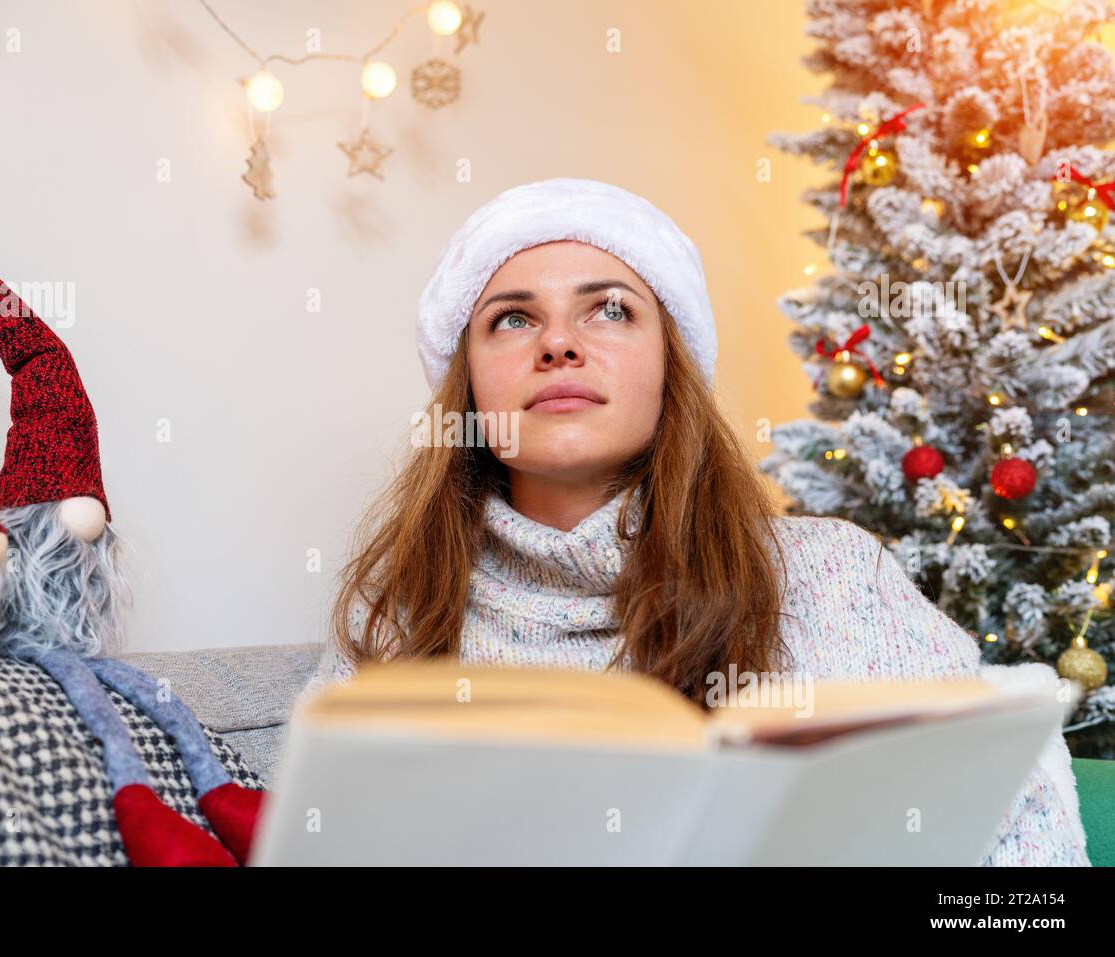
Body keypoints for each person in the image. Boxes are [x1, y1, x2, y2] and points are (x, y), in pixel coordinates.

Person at [296, 177, 1090, 867]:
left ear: (671, 363)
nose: (560, 343)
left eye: (609, 309)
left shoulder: (837, 573)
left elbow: (1020, 865)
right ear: (468, 384)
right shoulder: (390, 616)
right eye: (512, 318)